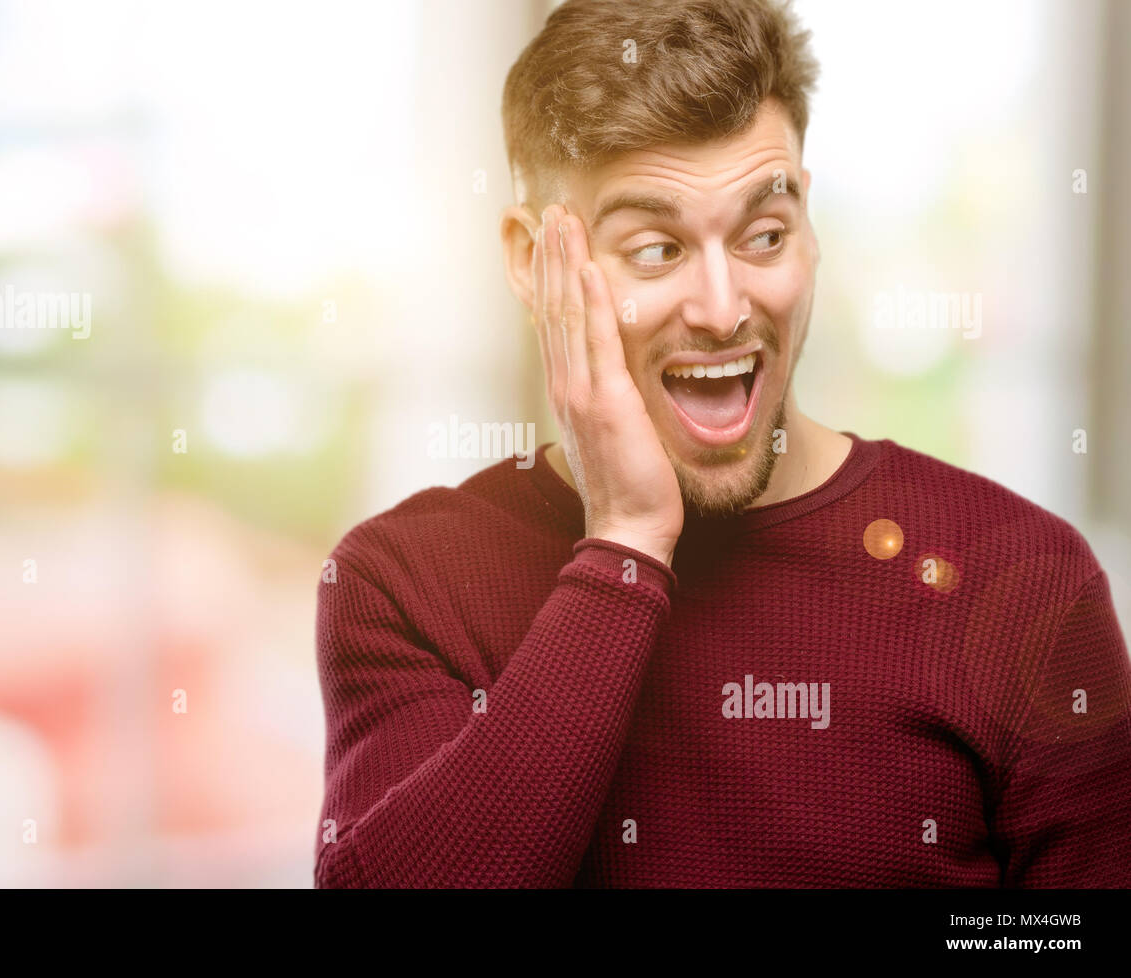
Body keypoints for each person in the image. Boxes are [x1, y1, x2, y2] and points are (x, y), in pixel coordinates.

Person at [313, 0, 1131, 887]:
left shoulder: (1029, 580)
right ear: (528, 258)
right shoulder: (401, 583)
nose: (723, 307)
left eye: (764, 236)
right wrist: (624, 541)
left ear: (809, 228)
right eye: (657, 249)